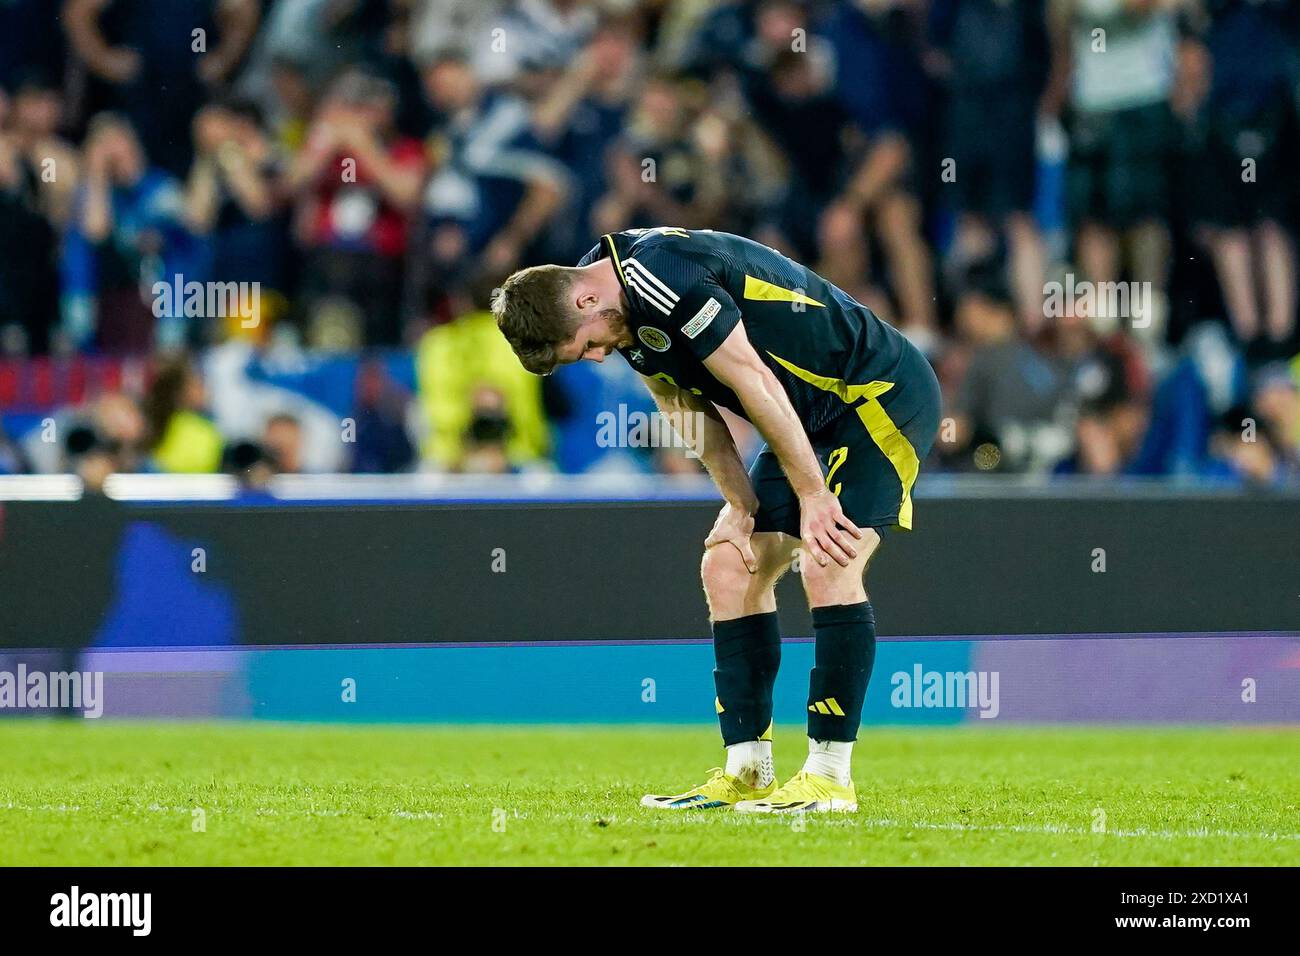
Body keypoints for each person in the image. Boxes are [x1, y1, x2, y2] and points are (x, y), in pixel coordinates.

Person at [491, 226, 942, 813]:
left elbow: (750, 380)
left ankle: (830, 777)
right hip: (805, 420)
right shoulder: (611, 296)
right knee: (730, 565)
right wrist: (740, 502)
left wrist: (812, 494)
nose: (600, 356)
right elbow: (679, 398)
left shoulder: (663, 274)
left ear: (582, 301)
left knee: (829, 556)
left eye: (588, 346)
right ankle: (748, 771)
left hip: (874, 393)